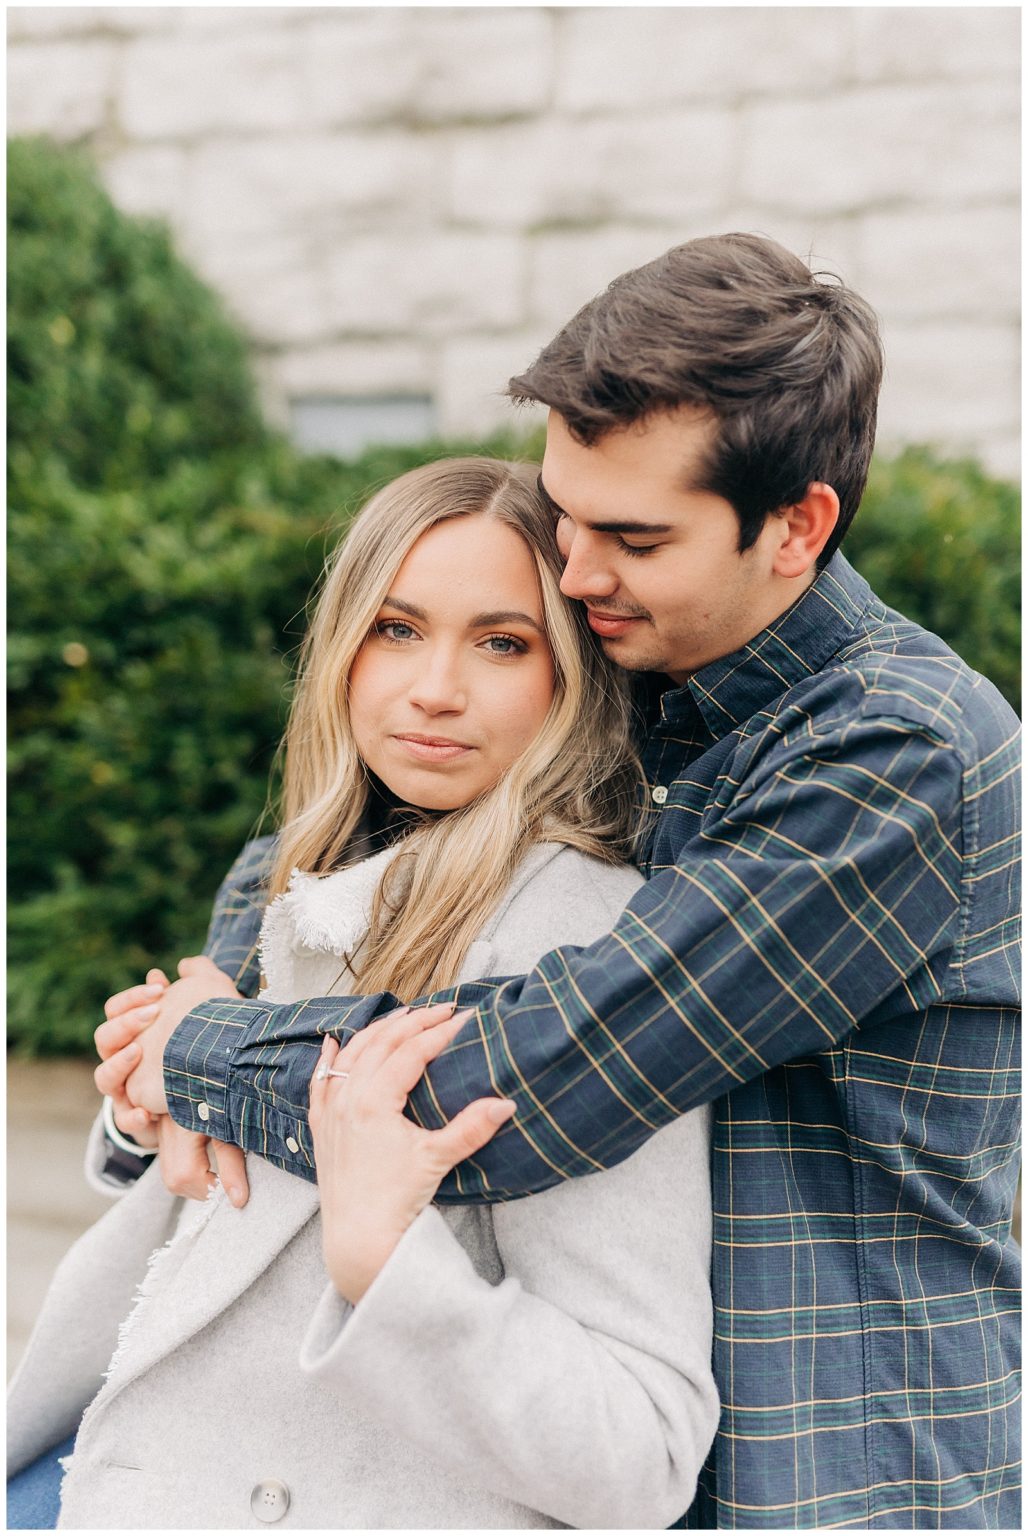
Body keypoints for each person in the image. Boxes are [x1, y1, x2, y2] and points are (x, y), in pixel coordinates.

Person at [98, 234, 1018, 1528]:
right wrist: (215, 986)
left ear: (798, 526)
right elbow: (338, 827)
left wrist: (206, 1055)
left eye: (632, 536)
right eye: (568, 516)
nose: (578, 571)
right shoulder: (634, 654)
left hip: (835, 1468)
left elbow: (551, 1073)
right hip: (566, 1471)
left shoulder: (897, 752)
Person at [7, 458, 720, 1529]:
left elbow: (637, 1451)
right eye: (395, 628)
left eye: (501, 642)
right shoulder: (294, 872)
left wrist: (385, 1261)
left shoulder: (577, 935)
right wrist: (150, 1094)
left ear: (572, 679)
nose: (435, 686)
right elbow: (216, 1239)